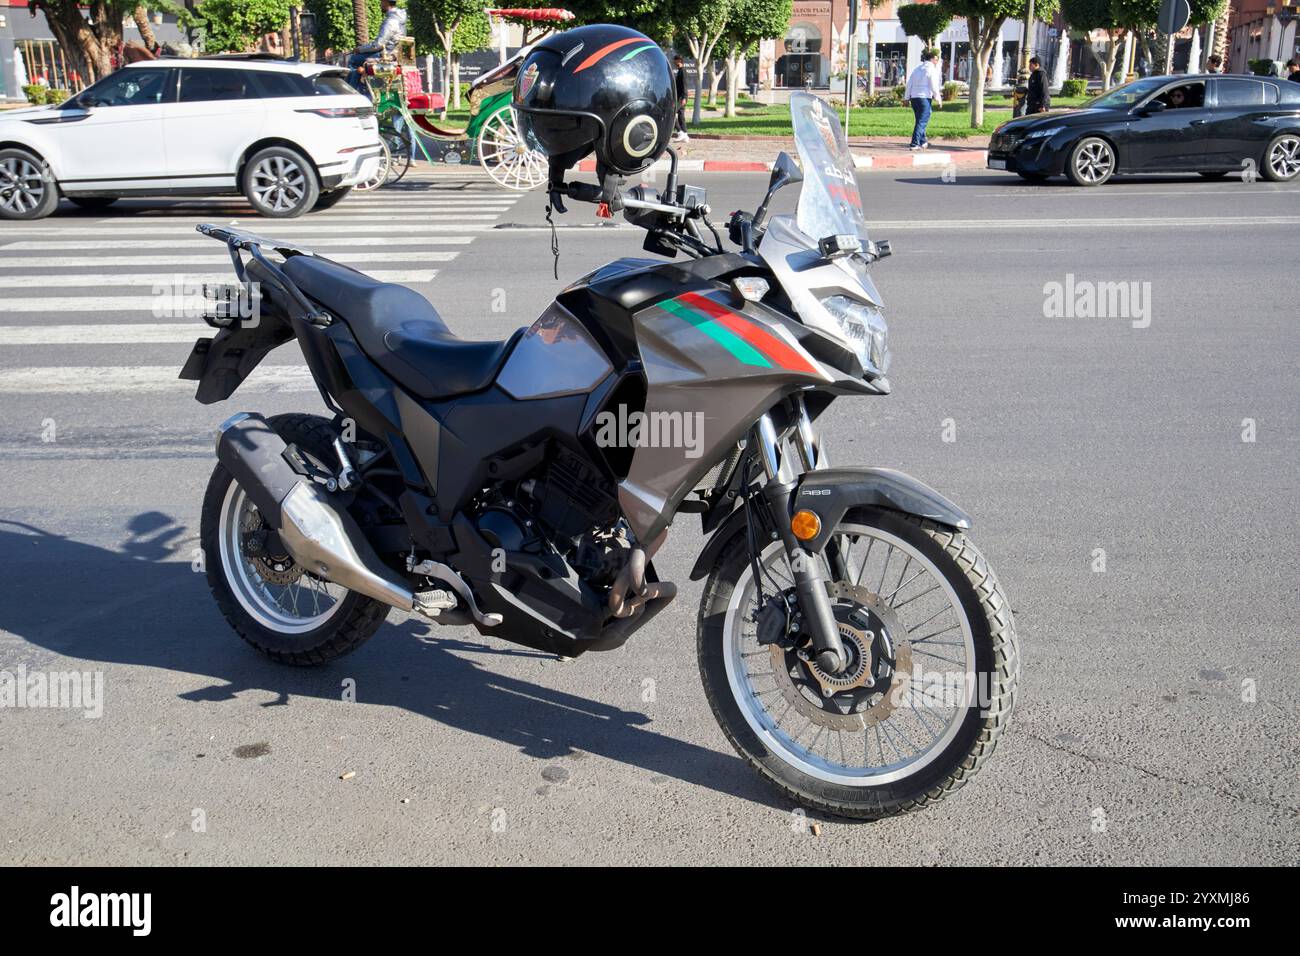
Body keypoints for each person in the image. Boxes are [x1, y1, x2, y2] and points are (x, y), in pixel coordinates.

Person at [347, 0, 408, 94]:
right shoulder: (400, 19)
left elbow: (378, 44)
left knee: (353, 60)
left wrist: (359, 49)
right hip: (393, 54)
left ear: (386, 2)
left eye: (381, 2)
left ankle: (352, 93)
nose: (380, 4)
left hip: (385, 55)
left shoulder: (390, 21)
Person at [905, 48, 942, 151]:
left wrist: (906, 98)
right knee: (922, 121)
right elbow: (934, 85)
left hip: (914, 98)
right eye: (937, 59)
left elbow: (909, 84)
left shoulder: (917, 69)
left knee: (919, 120)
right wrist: (938, 99)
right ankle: (914, 143)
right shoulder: (931, 70)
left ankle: (923, 141)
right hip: (924, 98)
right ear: (933, 58)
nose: (937, 61)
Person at [672, 54, 689, 143]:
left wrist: (684, 97)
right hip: (680, 97)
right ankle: (685, 135)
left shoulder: (683, 71)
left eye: (676, 60)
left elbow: (684, 85)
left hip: (681, 97)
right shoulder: (680, 71)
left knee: (671, 113)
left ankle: (680, 132)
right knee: (681, 116)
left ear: (680, 61)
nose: (674, 62)